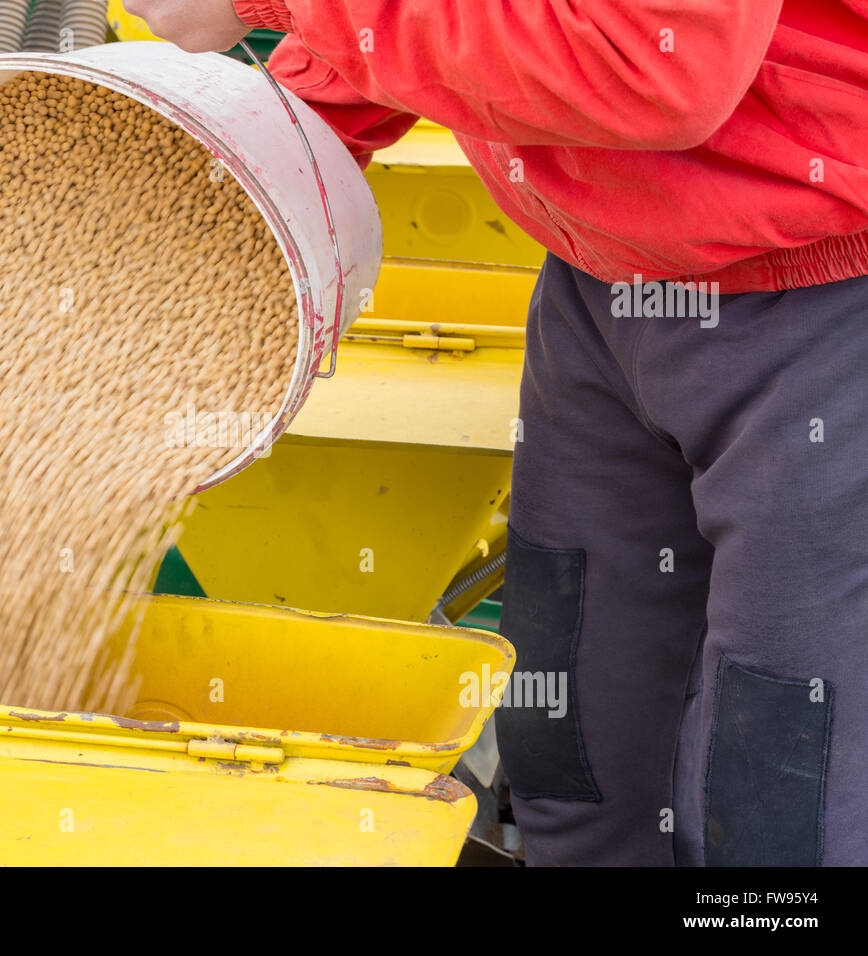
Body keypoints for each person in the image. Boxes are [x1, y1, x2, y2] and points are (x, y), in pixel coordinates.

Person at [123, 0, 868, 867]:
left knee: (783, 789)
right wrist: (273, 147)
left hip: (823, 298)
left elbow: (657, 66)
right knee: (574, 754)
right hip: (598, 290)